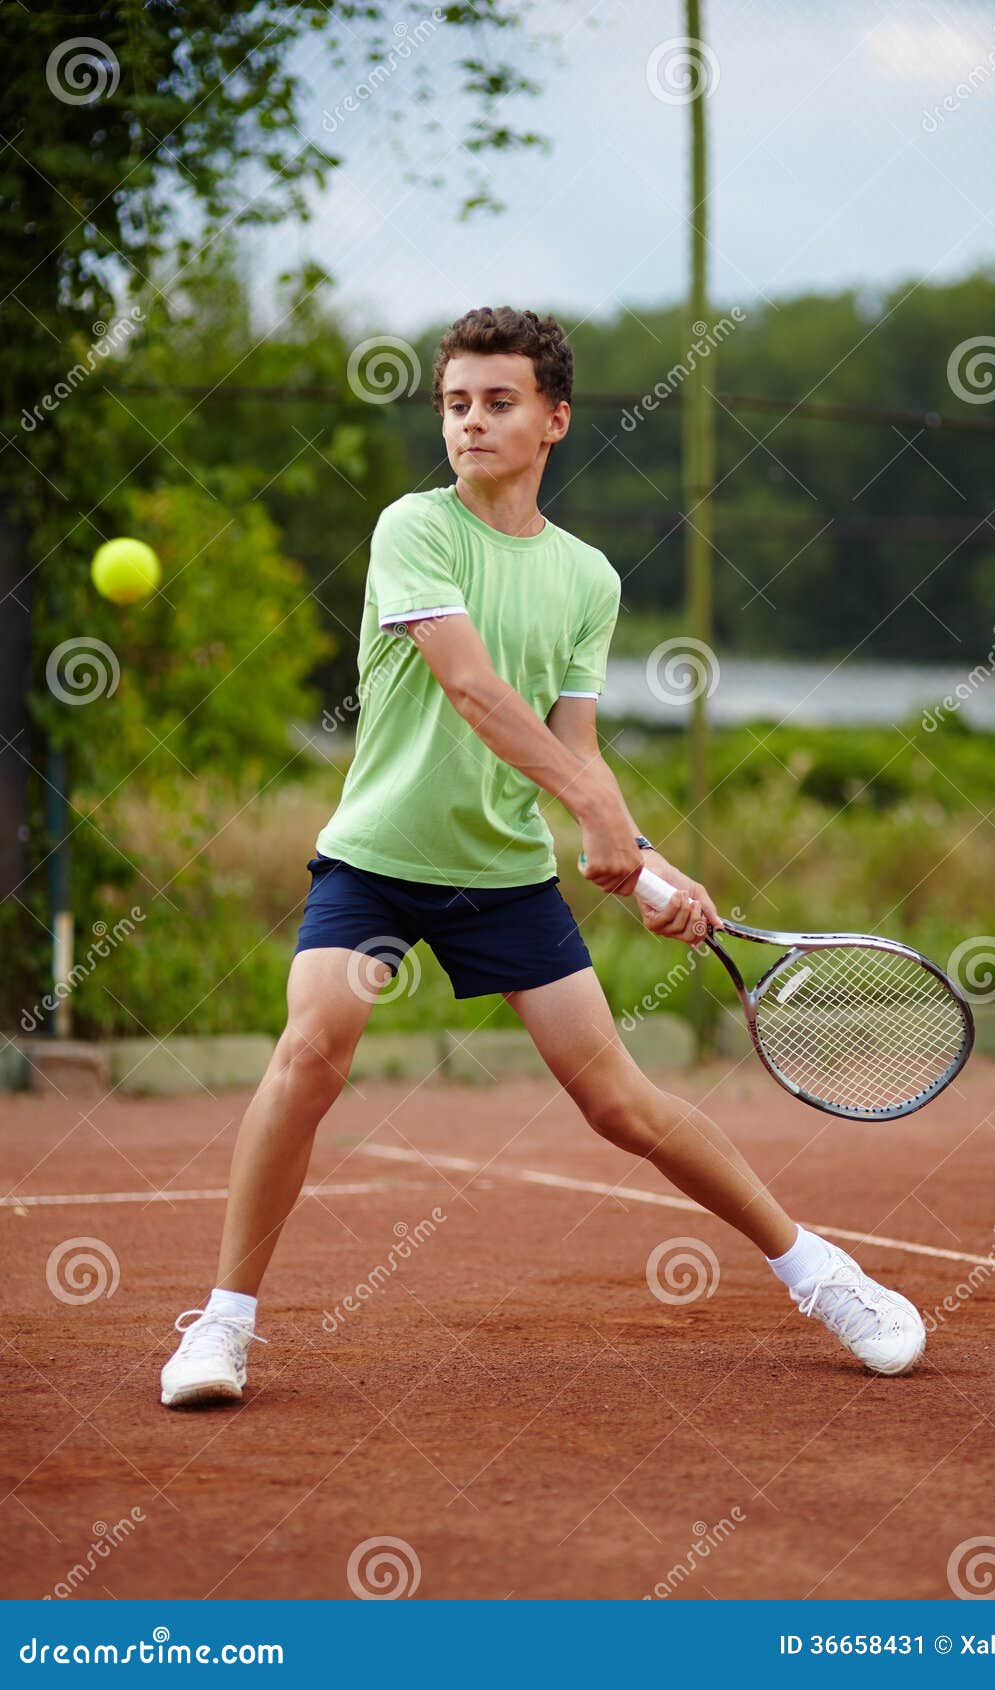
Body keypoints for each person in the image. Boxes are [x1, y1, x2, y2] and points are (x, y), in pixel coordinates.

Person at [160, 306, 924, 1408]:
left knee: (618, 1103)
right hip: (375, 861)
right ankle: (221, 1328)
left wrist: (640, 855)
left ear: (553, 420)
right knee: (314, 1045)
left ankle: (822, 1274)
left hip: (503, 874)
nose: (469, 422)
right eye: (455, 403)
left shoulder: (587, 579)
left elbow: (570, 742)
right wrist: (594, 808)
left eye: (497, 402)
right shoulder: (412, 528)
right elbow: (471, 690)